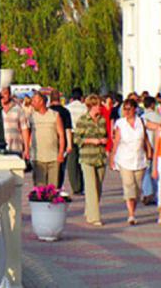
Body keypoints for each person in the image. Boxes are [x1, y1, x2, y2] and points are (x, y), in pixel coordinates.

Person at [110, 98, 152, 225]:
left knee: (137, 189)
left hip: (139, 159)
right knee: (129, 186)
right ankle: (131, 215)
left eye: (129, 109)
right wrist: (112, 157)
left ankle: (133, 209)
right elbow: (116, 142)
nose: (126, 111)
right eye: (125, 109)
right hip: (124, 159)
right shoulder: (120, 123)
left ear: (135, 109)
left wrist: (149, 151)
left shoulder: (141, 122)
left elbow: (145, 138)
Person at [74, 95, 108, 226]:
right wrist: (91, 141)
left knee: (98, 187)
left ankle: (89, 210)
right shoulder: (83, 120)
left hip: (100, 156)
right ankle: (94, 218)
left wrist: (104, 141)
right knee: (90, 187)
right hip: (87, 157)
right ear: (91, 106)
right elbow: (77, 139)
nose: (100, 107)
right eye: (98, 105)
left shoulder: (102, 121)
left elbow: (105, 135)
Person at [28, 92, 65, 187]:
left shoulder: (54, 115)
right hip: (38, 157)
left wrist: (61, 153)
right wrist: (27, 150)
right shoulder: (31, 117)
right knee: (40, 188)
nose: (32, 103)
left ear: (41, 102)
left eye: (34, 101)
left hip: (53, 157)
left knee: (53, 188)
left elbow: (61, 134)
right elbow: (28, 134)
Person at [49, 90, 73, 189]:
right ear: (59, 98)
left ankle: (50, 186)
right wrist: (69, 144)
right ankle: (59, 185)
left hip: (50, 140)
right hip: (62, 142)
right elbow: (68, 129)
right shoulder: (65, 111)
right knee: (61, 167)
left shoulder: (48, 111)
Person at [141, 96, 161, 205]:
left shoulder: (142, 117)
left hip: (144, 147)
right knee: (155, 170)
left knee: (146, 170)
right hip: (156, 146)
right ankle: (154, 193)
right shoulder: (158, 117)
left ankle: (147, 192)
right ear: (153, 105)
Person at [67, 88, 87, 194]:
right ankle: (83, 184)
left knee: (72, 161)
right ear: (81, 97)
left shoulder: (68, 108)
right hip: (83, 134)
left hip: (71, 133)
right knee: (83, 160)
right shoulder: (84, 108)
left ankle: (75, 186)